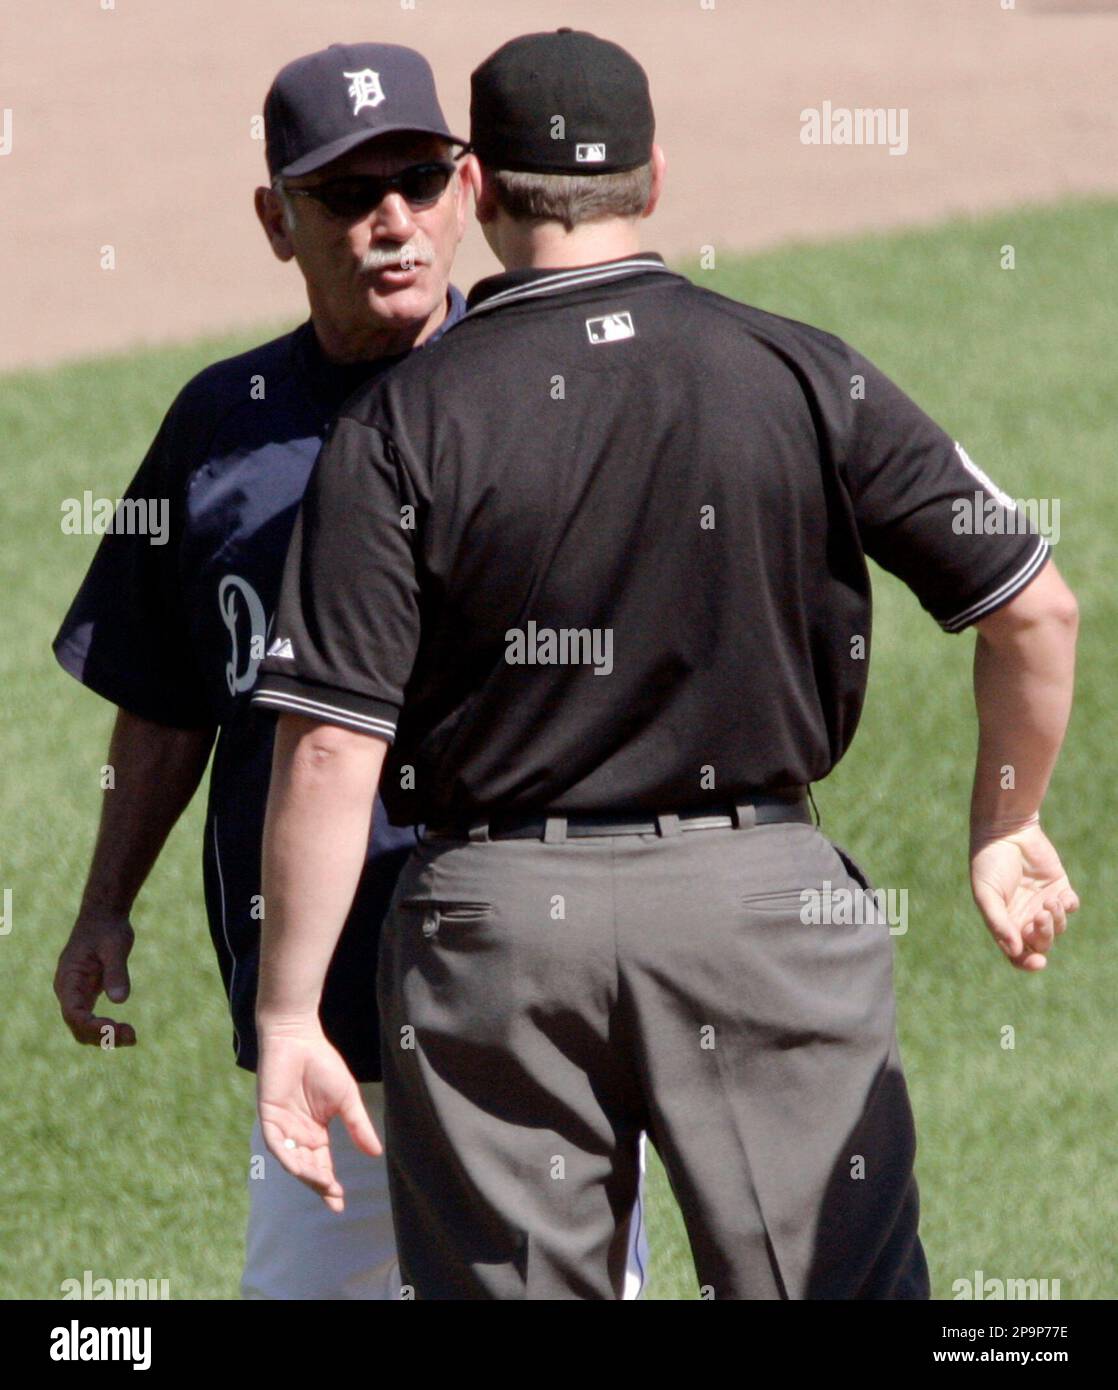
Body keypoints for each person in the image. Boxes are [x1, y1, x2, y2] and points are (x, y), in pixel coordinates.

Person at [250, 29, 1079, 1299]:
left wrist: (290, 1013)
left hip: (495, 932)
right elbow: (1033, 608)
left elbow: (326, 748)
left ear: (475, 190)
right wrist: (1000, 822)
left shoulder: (397, 424)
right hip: (761, 907)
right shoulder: (802, 372)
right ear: (651, 179)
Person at [51, 41, 659, 1301]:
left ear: (469, 188)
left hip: (526, 998)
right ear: (277, 220)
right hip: (317, 1014)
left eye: (420, 181)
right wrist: (105, 902)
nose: (393, 221)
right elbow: (164, 697)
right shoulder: (223, 424)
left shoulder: (545, 388)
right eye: (344, 194)